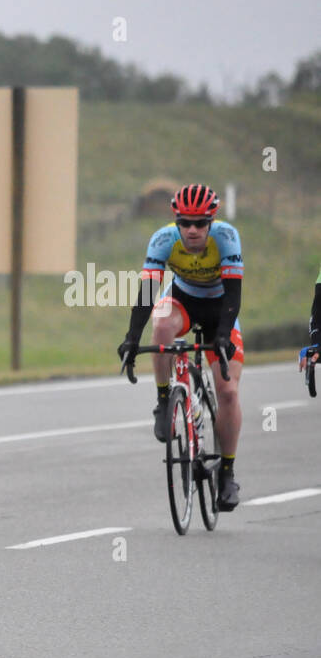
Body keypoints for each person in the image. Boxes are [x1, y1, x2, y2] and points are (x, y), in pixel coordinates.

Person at [117, 183, 244, 510]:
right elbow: (148, 292)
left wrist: (224, 334)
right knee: (160, 325)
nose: (191, 230)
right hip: (182, 300)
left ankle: (227, 473)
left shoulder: (227, 238)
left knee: (228, 391)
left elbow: (233, 295)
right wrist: (132, 338)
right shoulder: (163, 240)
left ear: (211, 221)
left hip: (220, 310)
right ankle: (164, 400)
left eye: (200, 223)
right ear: (176, 221)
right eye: (184, 222)